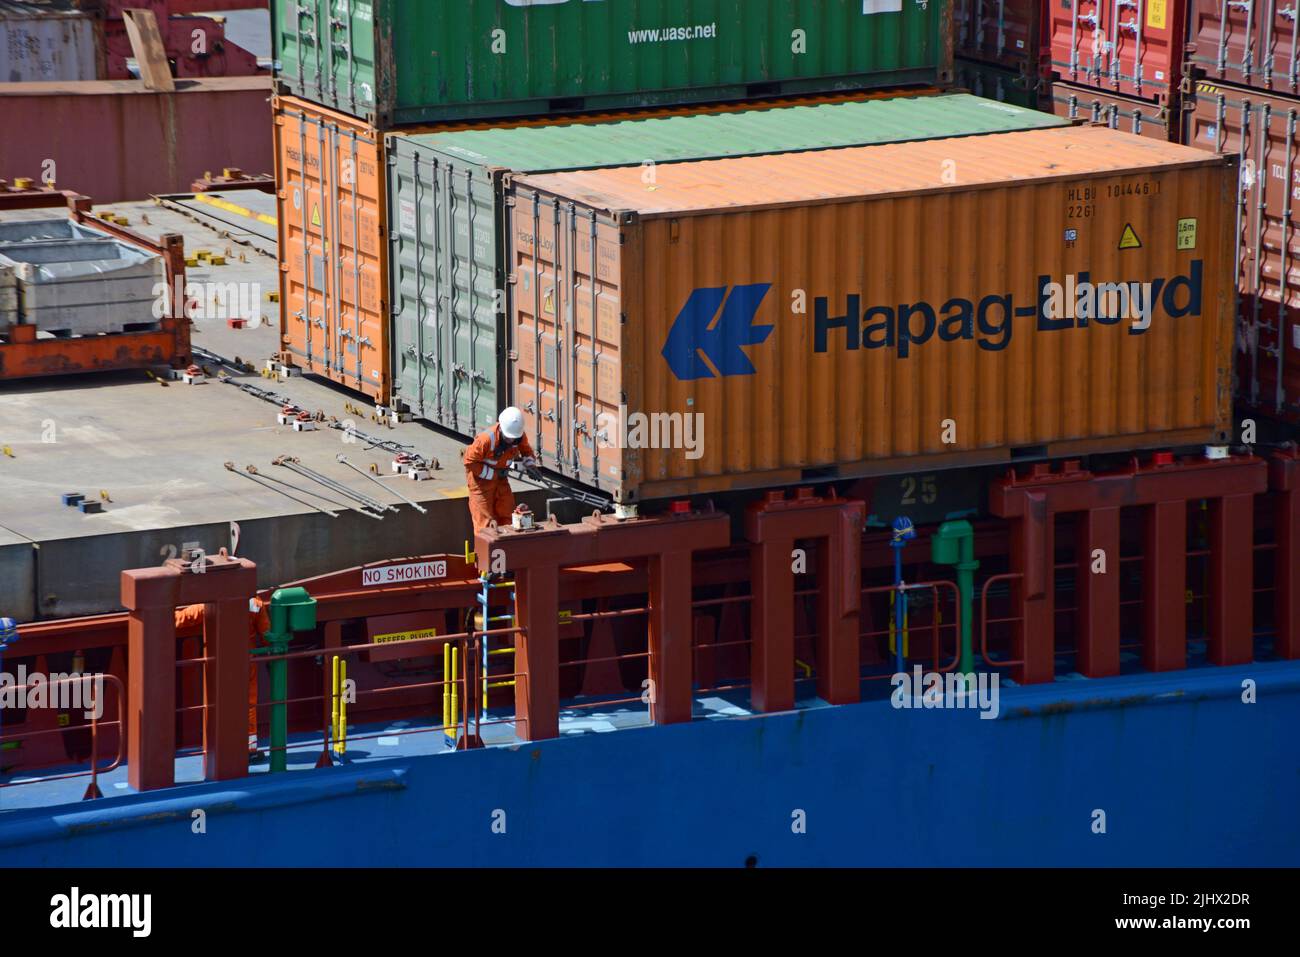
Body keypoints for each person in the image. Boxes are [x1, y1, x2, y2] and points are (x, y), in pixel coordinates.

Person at [174, 597, 270, 758]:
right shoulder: (255, 604)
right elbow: (267, 634)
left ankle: (220, 747)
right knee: (247, 703)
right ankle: (249, 749)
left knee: (219, 703)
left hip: (220, 662)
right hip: (245, 660)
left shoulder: (210, 601)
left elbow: (182, 619)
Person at [463, 407, 536, 534]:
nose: (511, 441)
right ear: (501, 428)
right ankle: (486, 551)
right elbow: (469, 461)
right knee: (484, 524)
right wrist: (493, 474)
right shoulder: (485, 440)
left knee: (508, 516)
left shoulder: (518, 435)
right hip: (480, 483)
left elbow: (526, 450)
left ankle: (507, 547)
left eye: (513, 439)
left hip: (501, 480)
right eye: (508, 438)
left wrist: (531, 466)